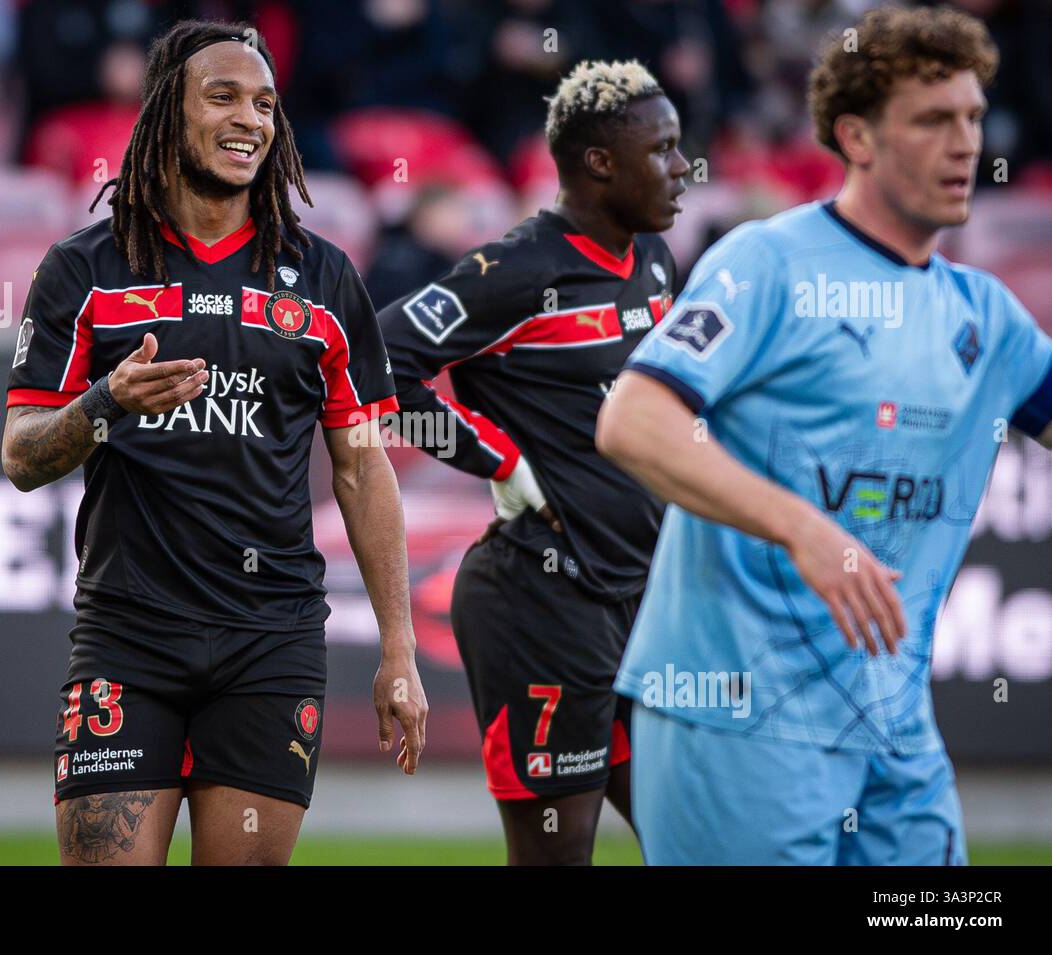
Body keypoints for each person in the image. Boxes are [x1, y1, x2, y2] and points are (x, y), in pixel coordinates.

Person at [596, 5, 1052, 865]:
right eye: (932, 120)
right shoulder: (769, 263)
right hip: (736, 713)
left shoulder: (987, 316)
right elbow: (634, 419)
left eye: (972, 117)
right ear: (858, 136)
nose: (965, 143)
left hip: (892, 722)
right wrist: (804, 527)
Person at [0, 19, 427, 866]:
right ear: (166, 112)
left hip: (272, 639)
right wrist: (104, 403)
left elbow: (362, 465)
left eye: (266, 102)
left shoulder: (329, 280)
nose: (251, 118)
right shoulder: (88, 269)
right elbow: (20, 456)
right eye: (224, 95)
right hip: (130, 634)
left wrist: (398, 647)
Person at [378, 60, 687, 865]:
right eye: (662, 150)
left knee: (700, 832)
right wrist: (498, 457)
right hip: (543, 600)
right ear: (599, 163)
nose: (683, 168)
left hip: (643, 599)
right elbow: (369, 362)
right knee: (558, 851)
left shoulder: (655, 259)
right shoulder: (517, 271)